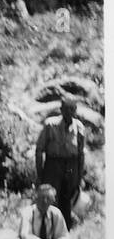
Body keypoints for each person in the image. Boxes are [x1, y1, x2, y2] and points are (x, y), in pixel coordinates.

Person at [34, 94, 86, 228]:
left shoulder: (79, 127)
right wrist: (40, 174)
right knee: (50, 198)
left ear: (75, 110)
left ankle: (65, 232)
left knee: (67, 199)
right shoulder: (50, 124)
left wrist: (79, 176)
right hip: (53, 166)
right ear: (61, 109)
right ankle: (46, 230)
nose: (69, 112)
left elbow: (81, 154)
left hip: (71, 166)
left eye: (72, 109)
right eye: (66, 108)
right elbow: (39, 150)